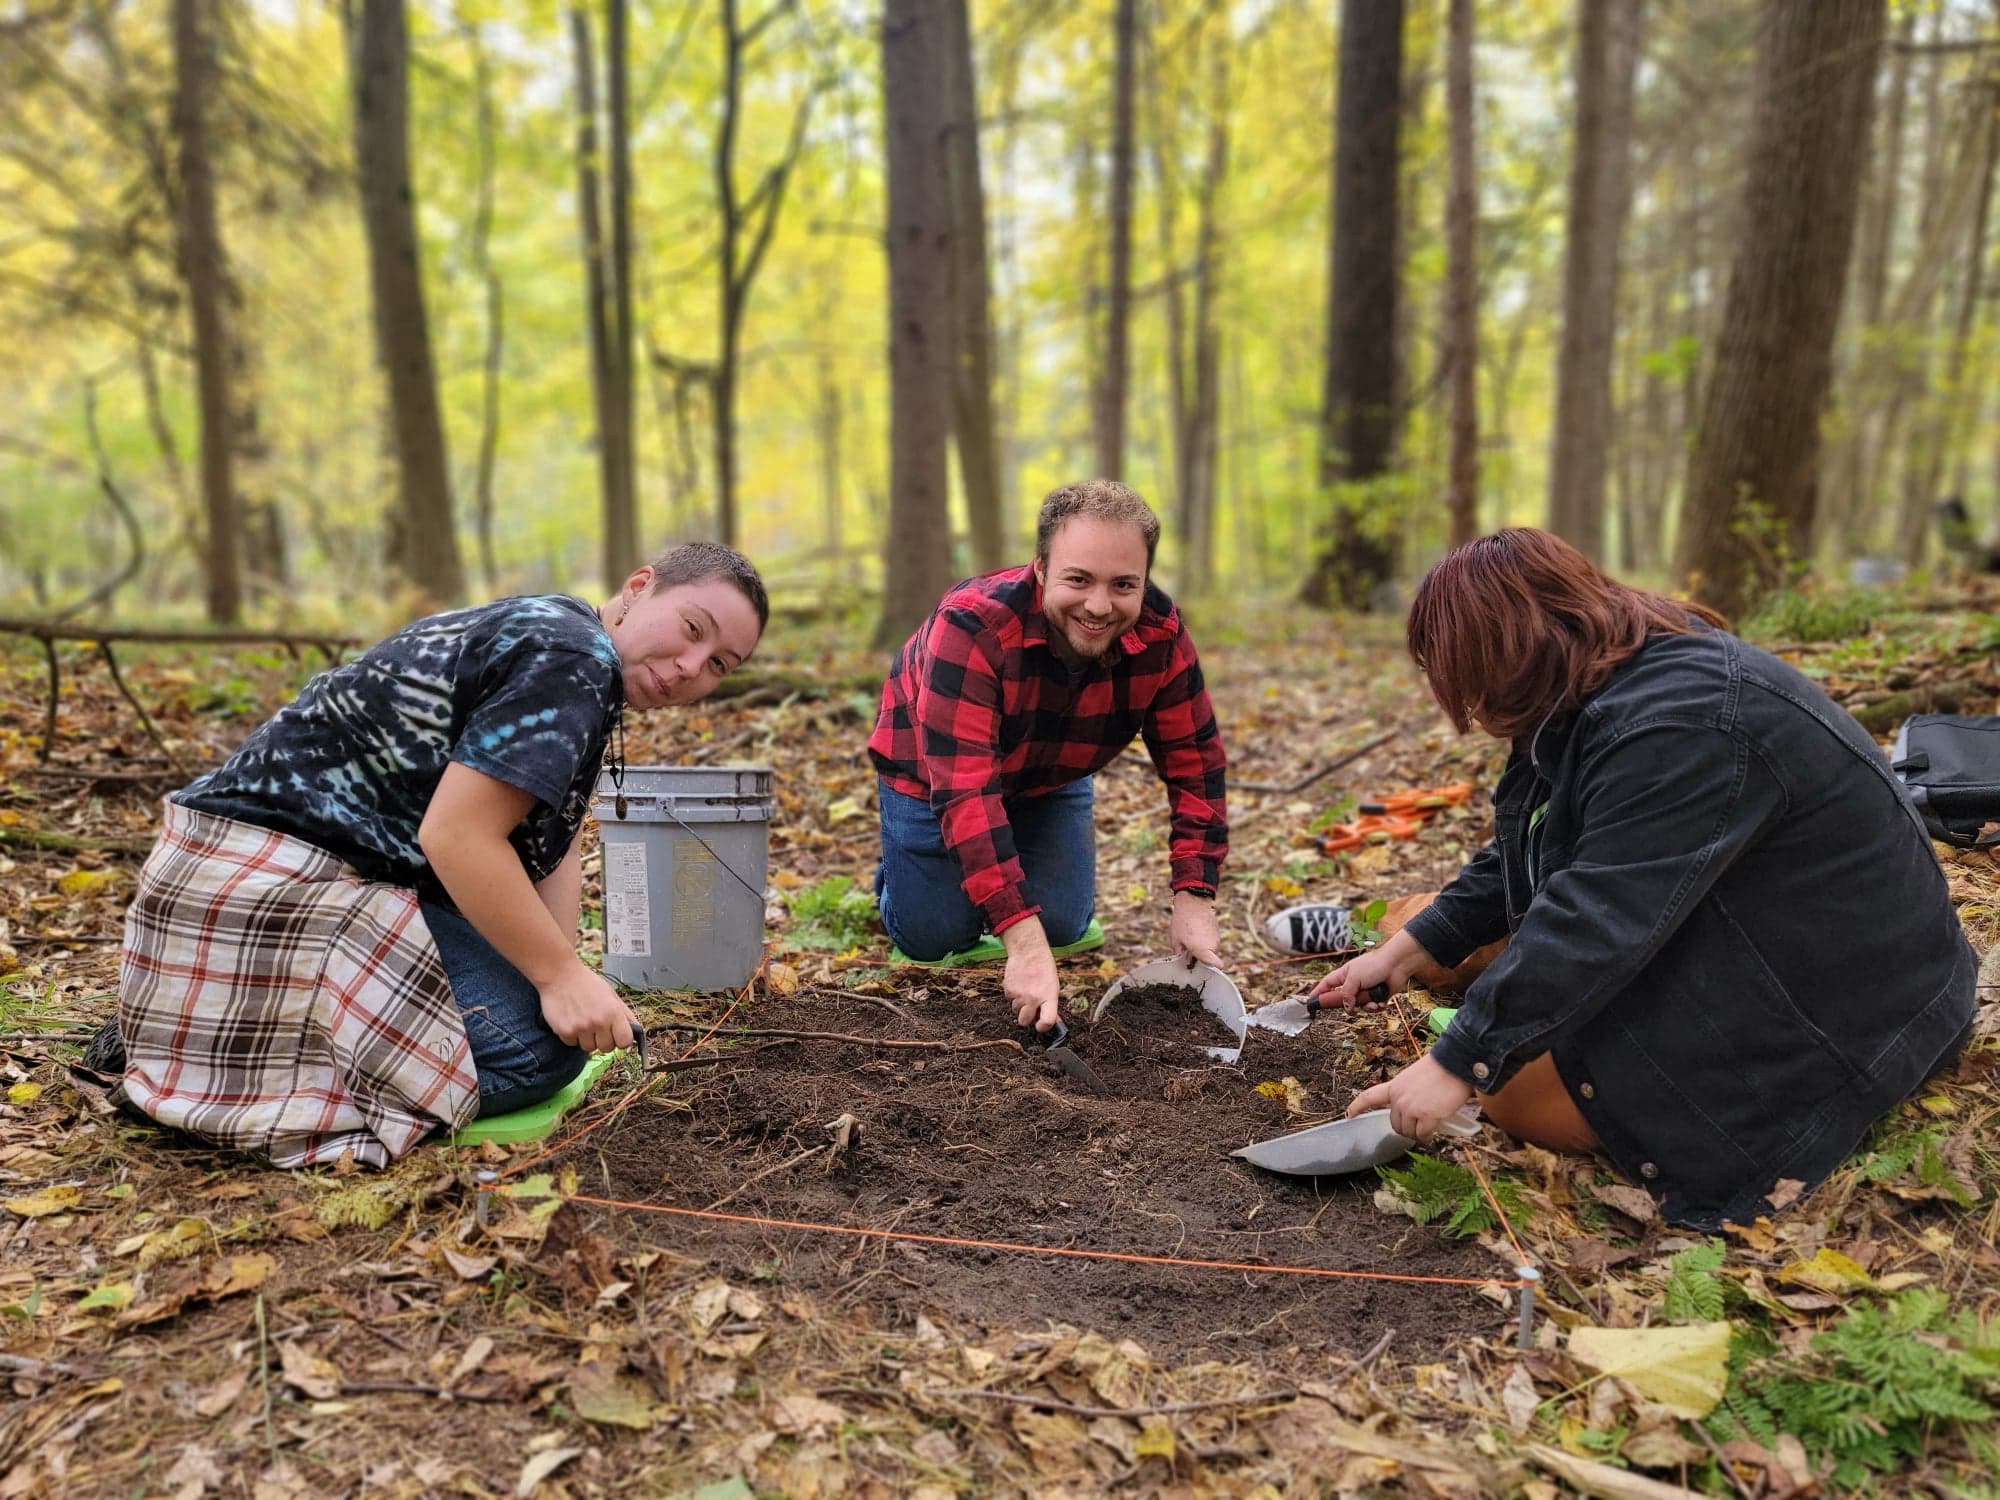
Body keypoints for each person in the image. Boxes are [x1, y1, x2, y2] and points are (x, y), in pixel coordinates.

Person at [1311, 528, 1975, 1230]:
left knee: (1516, 1093)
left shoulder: (1681, 721)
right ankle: (1393, 943)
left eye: (1468, 678)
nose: (1471, 707)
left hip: (1853, 1003)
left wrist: (1458, 1064)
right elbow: (1526, 851)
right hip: (1755, 924)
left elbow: (1597, 913)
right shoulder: (1589, 685)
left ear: (1509, 652)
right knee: (1464, 954)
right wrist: (1403, 954)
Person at [100, 542, 767, 1167]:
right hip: (265, 883)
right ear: (640, 586)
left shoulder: (561, 635)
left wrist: (555, 977)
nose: (691, 666)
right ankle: (218, 1063)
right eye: (692, 628)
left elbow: (548, 841)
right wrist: (559, 979)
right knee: (536, 1056)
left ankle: (197, 1019)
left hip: (241, 880)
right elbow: (457, 836)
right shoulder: (574, 660)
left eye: (719, 664)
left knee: (542, 1014)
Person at [868, 480, 1229, 1031]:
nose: (1099, 606)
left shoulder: (1161, 634)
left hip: (1050, 777)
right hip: (932, 776)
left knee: (1061, 925)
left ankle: (987, 868)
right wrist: (1021, 941)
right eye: (1078, 579)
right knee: (935, 937)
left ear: (1144, 579)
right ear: (1040, 568)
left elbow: (1195, 764)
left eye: (1123, 584)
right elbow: (966, 790)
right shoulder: (971, 625)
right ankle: (899, 874)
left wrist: (1195, 895)